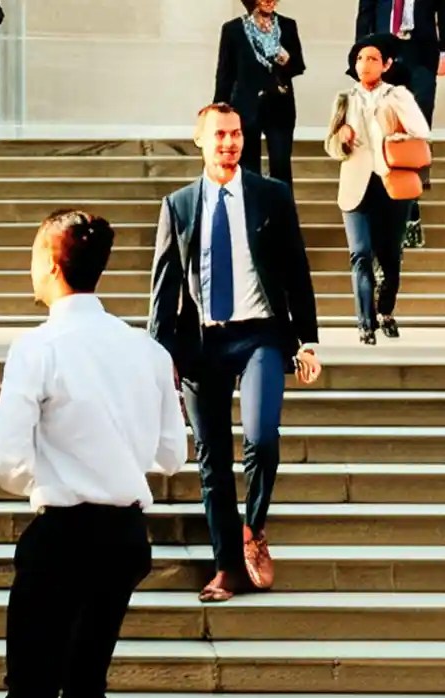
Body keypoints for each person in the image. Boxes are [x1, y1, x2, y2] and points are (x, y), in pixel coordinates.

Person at [0, 210, 187, 698]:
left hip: (64, 533)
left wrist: (49, 474)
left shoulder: (37, 347)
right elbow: (173, 455)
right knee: (85, 688)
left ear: (53, 265)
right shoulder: (148, 351)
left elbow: (6, 459)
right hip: (125, 536)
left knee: (31, 691)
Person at [148, 103, 322, 603]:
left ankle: (255, 527)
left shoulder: (271, 195)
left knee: (262, 439)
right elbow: (163, 288)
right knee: (213, 461)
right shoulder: (179, 205)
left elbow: (296, 269)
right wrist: (160, 356)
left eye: (236, 134)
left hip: (260, 336)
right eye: (219, 135)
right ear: (200, 140)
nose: (229, 143)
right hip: (202, 344)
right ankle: (227, 568)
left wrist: (307, 340)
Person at [326, 34, 431, 345]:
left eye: (372, 59)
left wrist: (396, 134)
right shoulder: (344, 99)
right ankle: (365, 323)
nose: (365, 64)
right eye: (360, 59)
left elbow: (421, 131)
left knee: (389, 257)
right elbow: (330, 146)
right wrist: (341, 138)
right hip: (355, 185)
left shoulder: (397, 95)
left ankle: (385, 311)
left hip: (390, 182)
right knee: (359, 254)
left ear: (386, 64)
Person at [355, 0, 445, 246]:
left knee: (415, 132)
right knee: (384, 131)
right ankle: (390, 214)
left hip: (422, 55)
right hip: (384, 53)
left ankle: (411, 213)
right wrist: (361, 56)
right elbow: (365, 13)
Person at [213, 0, 305, 186]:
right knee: (247, 168)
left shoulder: (287, 25)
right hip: (245, 107)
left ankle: (281, 205)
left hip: (280, 106)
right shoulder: (233, 29)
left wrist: (284, 58)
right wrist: (218, 110)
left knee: (281, 167)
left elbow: (298, 66)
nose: (270, 1)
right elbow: (225, 74)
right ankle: (250, 205)